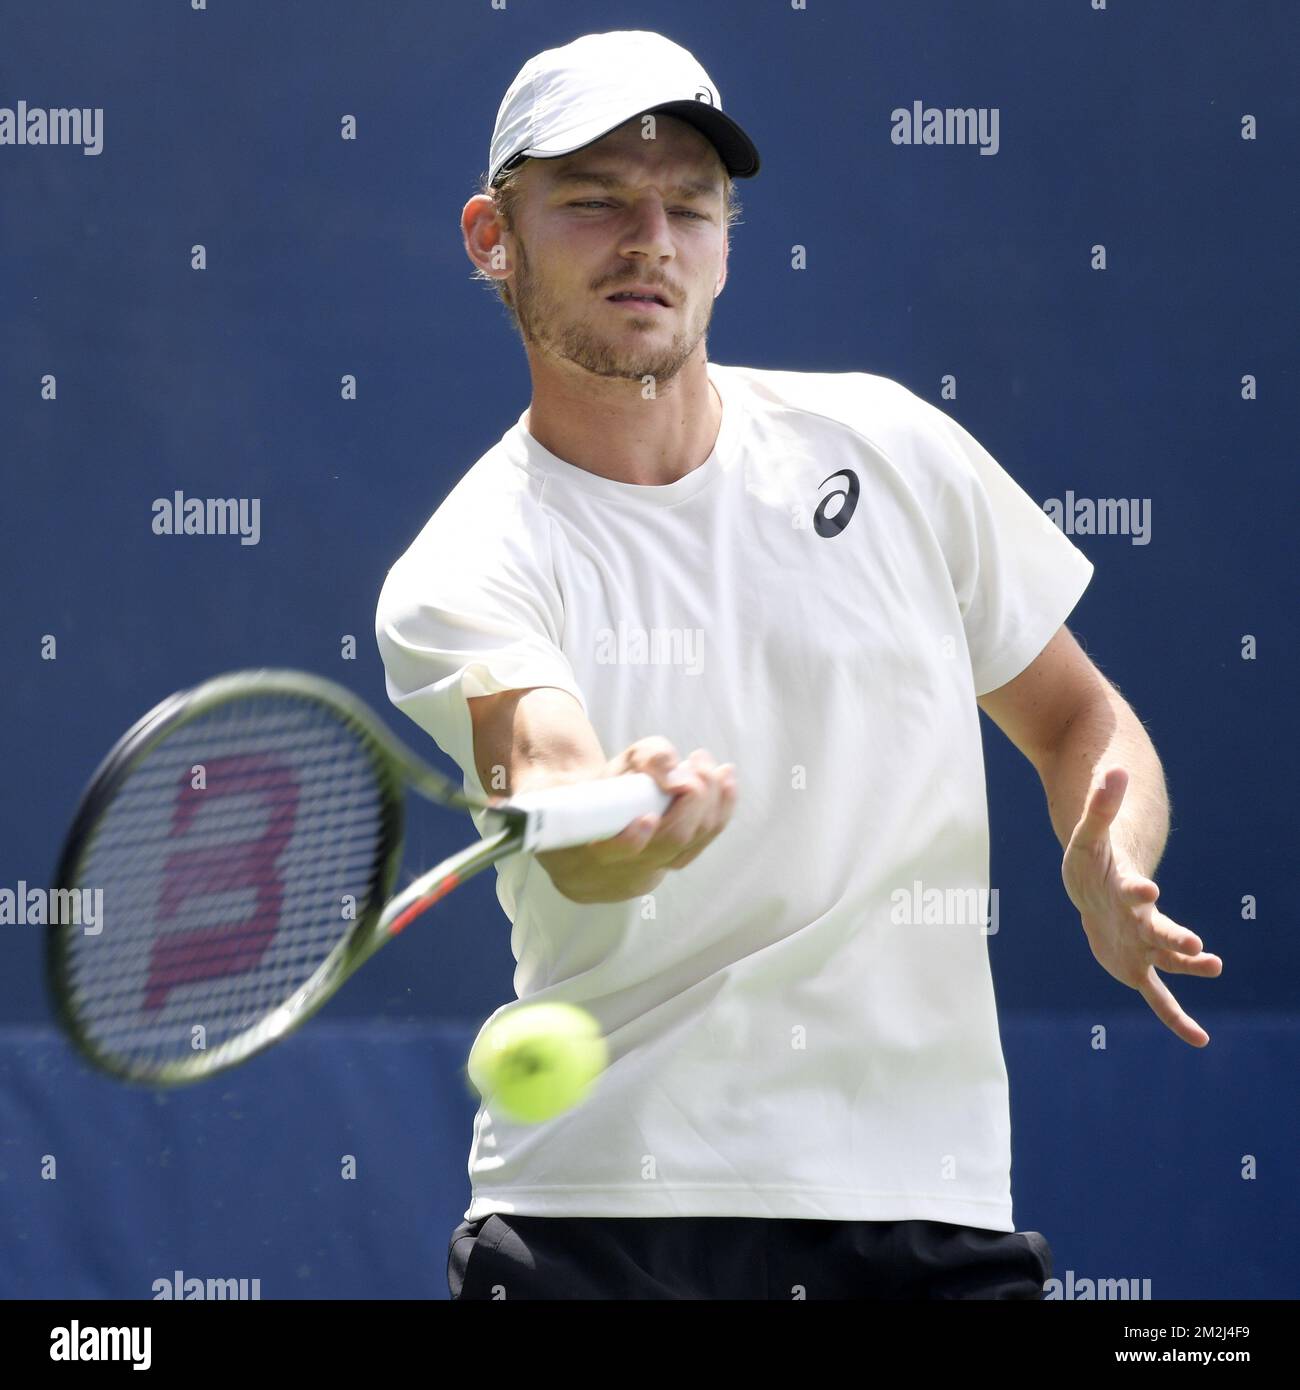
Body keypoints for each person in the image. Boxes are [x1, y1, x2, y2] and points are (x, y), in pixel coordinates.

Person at [375, 30, 1221, 1300]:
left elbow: (1076, 718)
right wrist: (627, 833)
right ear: (493, 238)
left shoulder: (892, 447)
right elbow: (551, 790)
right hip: (603, 1220)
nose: (649, 238)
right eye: (596, 201)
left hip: (922, 1203)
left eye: (689, 207)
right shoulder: (469, 562)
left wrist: (1111, 863)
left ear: (724, 241)